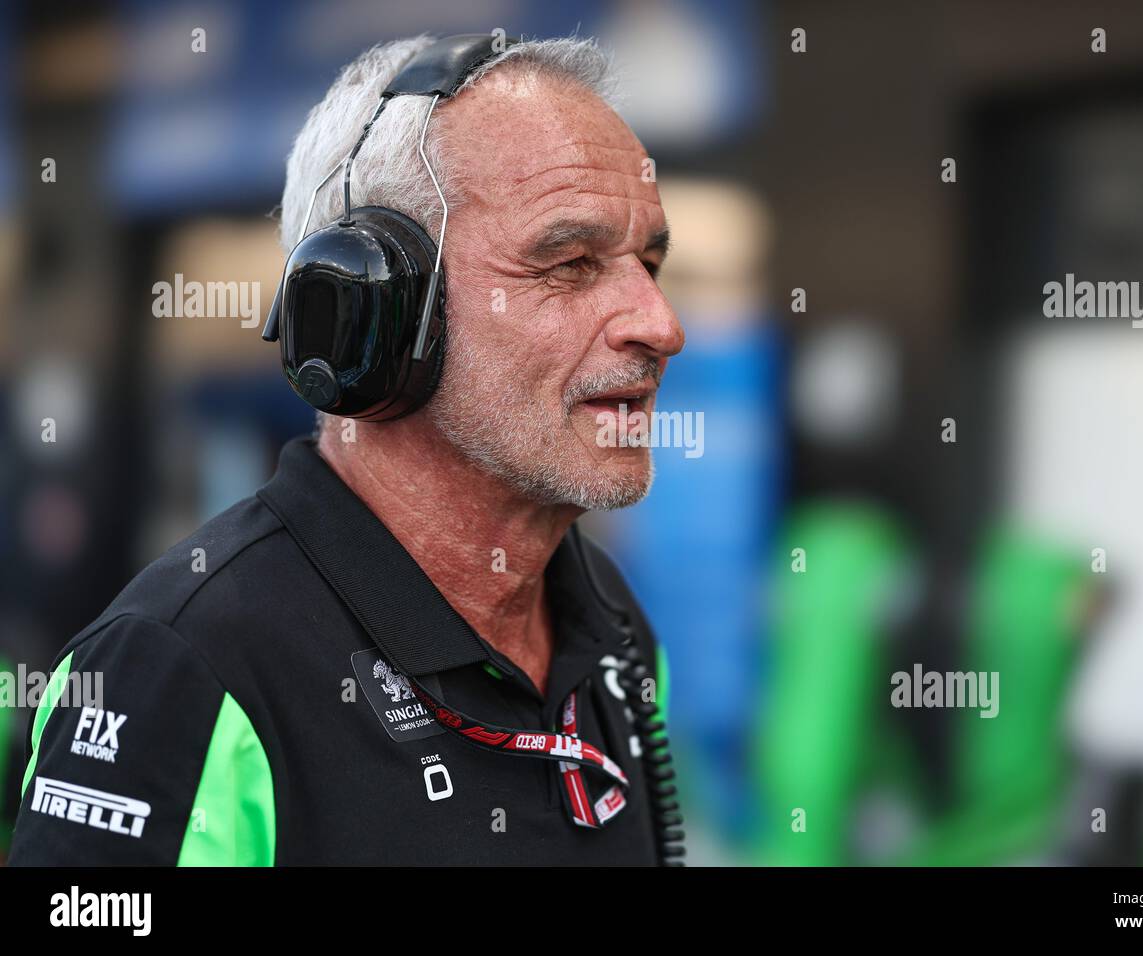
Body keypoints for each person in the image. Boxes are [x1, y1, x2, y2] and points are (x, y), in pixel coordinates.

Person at [9, 33, 684, 865]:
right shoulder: (185, 667)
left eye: (648, 264)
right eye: (571, 262)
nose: (660, 324)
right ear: (376, 315)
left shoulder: (608, 617)